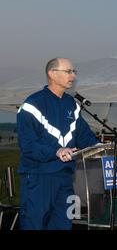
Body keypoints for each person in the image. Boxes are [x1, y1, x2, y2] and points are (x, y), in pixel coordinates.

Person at [17, 58, 99, 230]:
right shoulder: (33, 104)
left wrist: (103, 147)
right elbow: (28, 145)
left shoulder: (72, 104)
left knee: (63, 224)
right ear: (52, 74)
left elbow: (85, 136)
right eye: (68, 71)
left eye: (74, 71)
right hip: (40, 177)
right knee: (35, 224)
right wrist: (56, 151)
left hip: (66, 178)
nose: (73, 76)